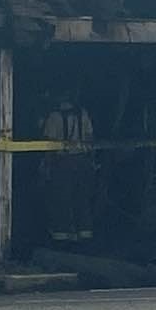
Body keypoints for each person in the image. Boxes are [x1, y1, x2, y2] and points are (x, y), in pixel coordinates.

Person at [40, 94, 96, 242]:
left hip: (62, 162)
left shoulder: (53, 116)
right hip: (82, 161)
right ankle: (84, 232)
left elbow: (50, 145)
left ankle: (62, 234)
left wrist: (46, 165)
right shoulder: (82, 113)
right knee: (82, 196)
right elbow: (90, 138)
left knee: (61, 197)